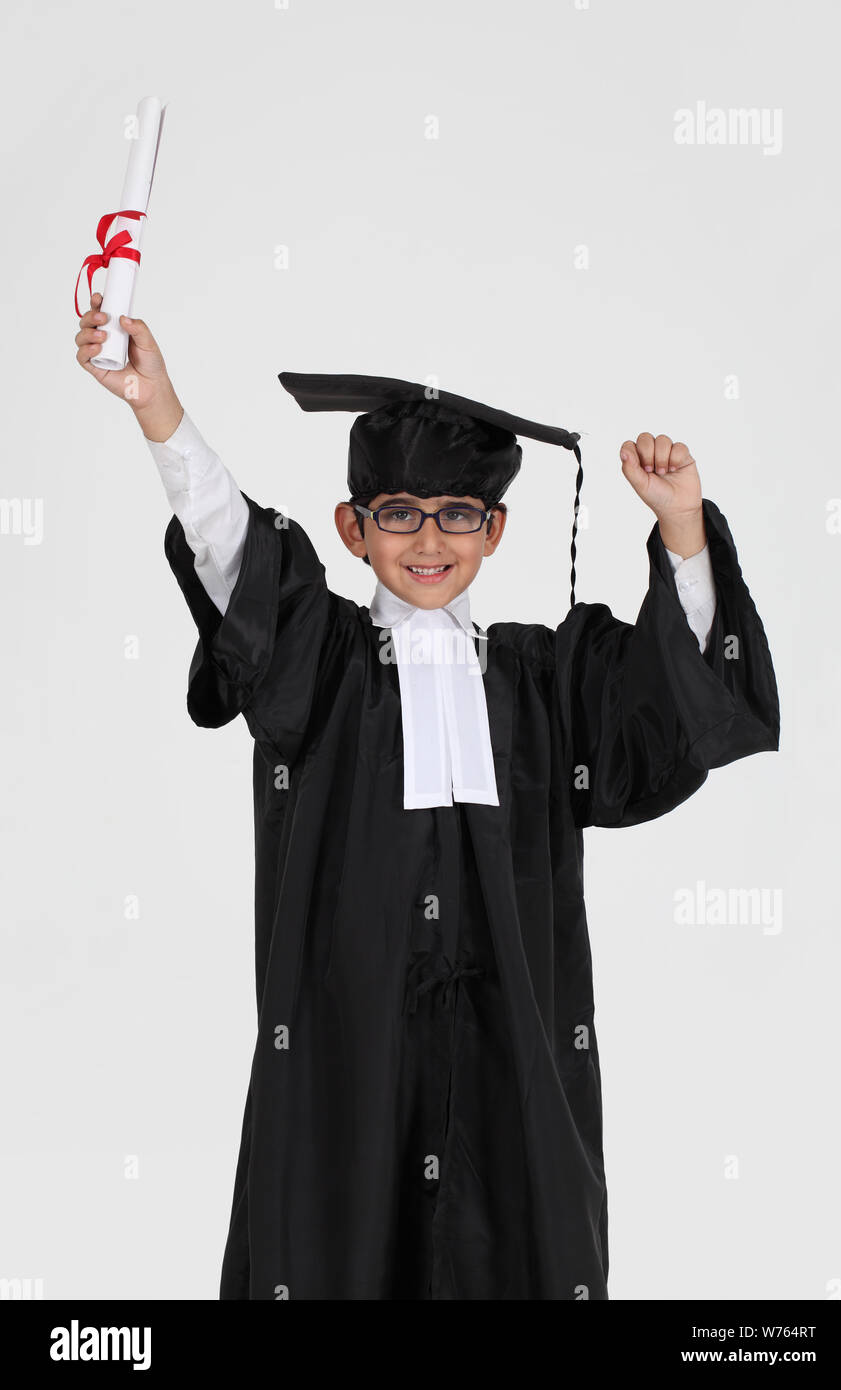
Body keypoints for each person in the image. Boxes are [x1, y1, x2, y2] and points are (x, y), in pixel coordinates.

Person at [75, 292, 780, 1301]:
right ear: (352, 529)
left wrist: (679, 530)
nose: (428, 538)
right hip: (346, 1043)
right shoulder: (320, 664)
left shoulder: (539, 678)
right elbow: (232, 545)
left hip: (513, 1047)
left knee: (517, 1235)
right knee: (337, 1240)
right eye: (398, 513)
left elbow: (672, 719)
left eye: (457, 514)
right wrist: (159, 407)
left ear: (494, 530)